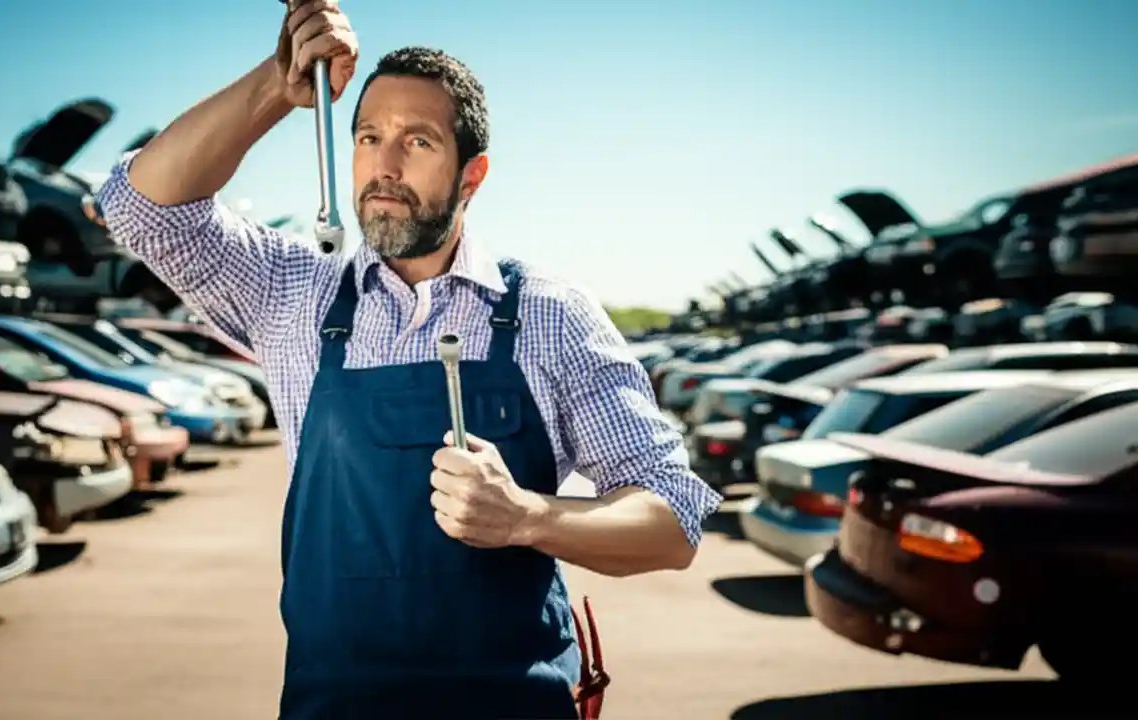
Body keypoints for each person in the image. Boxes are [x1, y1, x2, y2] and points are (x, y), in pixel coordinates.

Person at [95, 2, 721, 717]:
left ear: (471, 175)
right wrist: (278, 85)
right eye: (368, 137)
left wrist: (527, 517)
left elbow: (673, 521)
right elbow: (138, 207)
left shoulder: (550, 312)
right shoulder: (293, 295)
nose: (383, 166)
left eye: (417, 142)